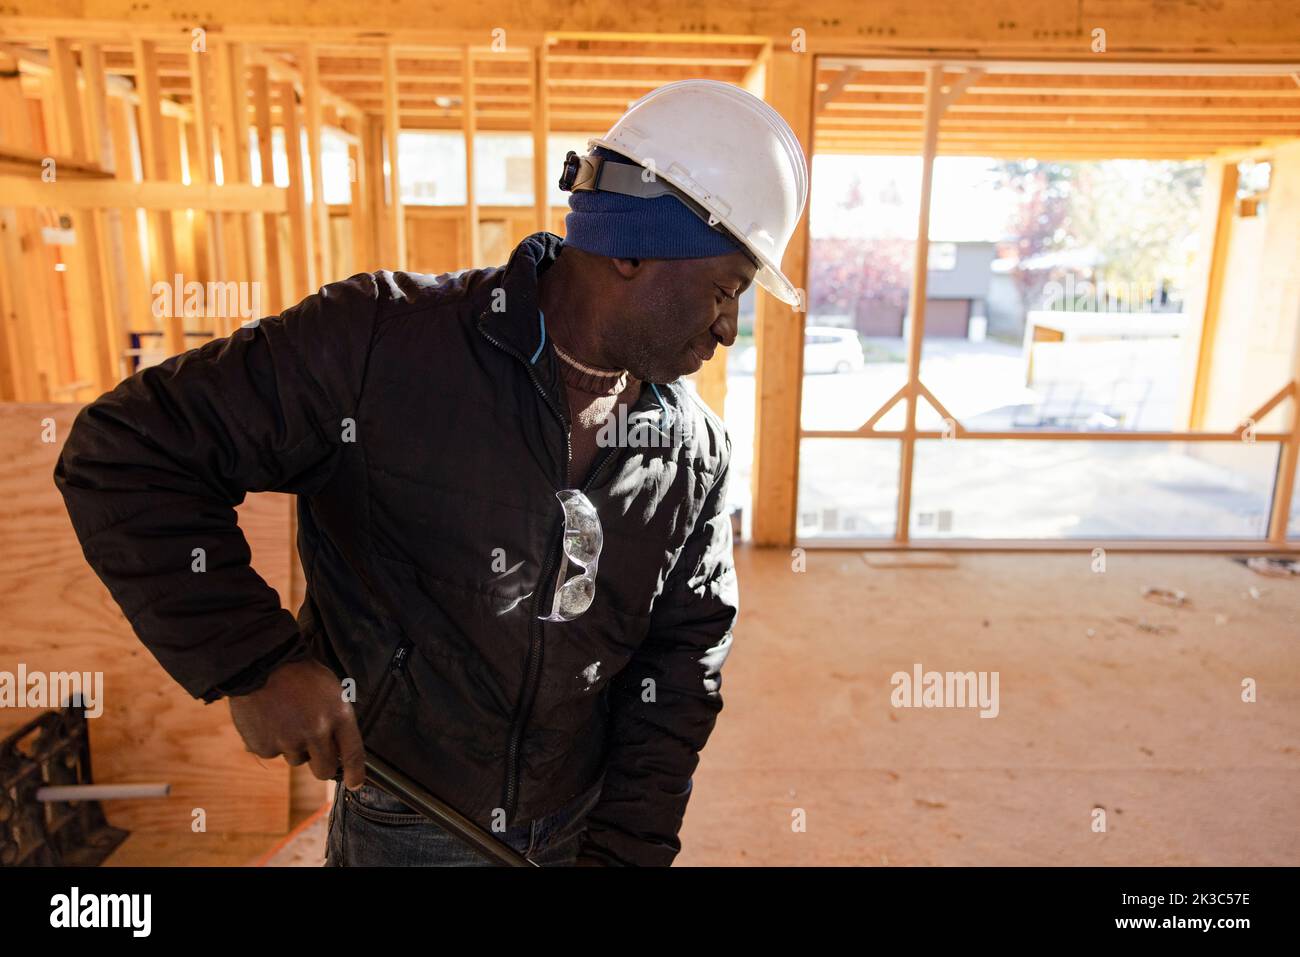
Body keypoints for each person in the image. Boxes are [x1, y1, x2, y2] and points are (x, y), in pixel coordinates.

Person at [54, 78, 808, 866]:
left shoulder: (693, 452)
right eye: (725, 290)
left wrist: (626, 850)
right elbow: (128, 451)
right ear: (630, 247)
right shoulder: (381, 347)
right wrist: (254, 663)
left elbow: (684, 664)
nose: (727, 327)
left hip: (580, 826)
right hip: (408, 827)